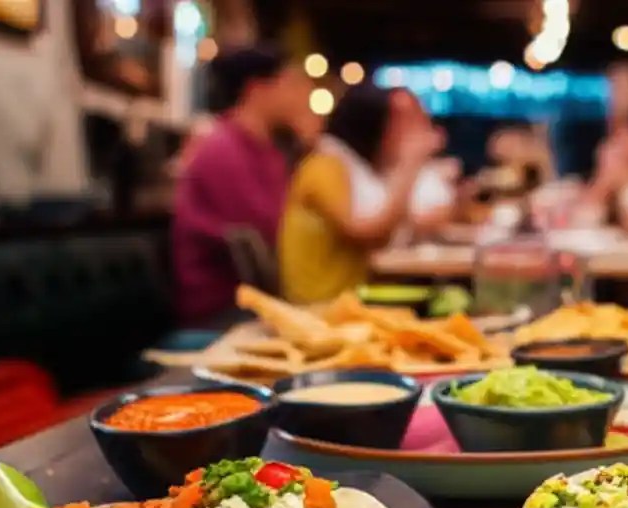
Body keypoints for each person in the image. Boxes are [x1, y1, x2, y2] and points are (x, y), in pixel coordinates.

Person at [171, 46, 310, 324]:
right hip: (221, 307)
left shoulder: (267, 150)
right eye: (290, 84)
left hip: (256, 299)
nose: (302, 95)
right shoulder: (222, 149)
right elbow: (275, 230)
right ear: (257, 89)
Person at [277, 85, 445, 305]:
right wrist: (409, 164)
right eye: (399, 127)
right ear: (374, 126)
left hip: (346, 300)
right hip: (322, 307)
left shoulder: (342, 164)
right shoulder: (324, 166)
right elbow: (368, 233)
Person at [586, 62, 628, 207]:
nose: (613, 96)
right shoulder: (614, 136)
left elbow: (624, 192)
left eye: (622, 89)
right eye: (613, 88)